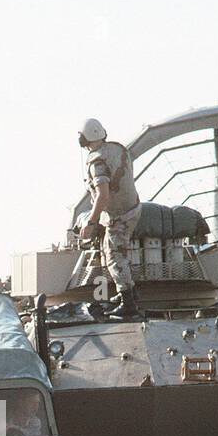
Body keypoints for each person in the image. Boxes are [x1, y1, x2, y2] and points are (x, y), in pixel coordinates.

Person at [77, 117, 142, 320]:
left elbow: (103, 196)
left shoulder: (97, 161)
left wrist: (91, 222)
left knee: (114, 256)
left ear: (83, 139)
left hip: (119, 215)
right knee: (109, 251)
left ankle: (128, 304)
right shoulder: (117, 149)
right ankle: (127, 294)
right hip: (133, 207)